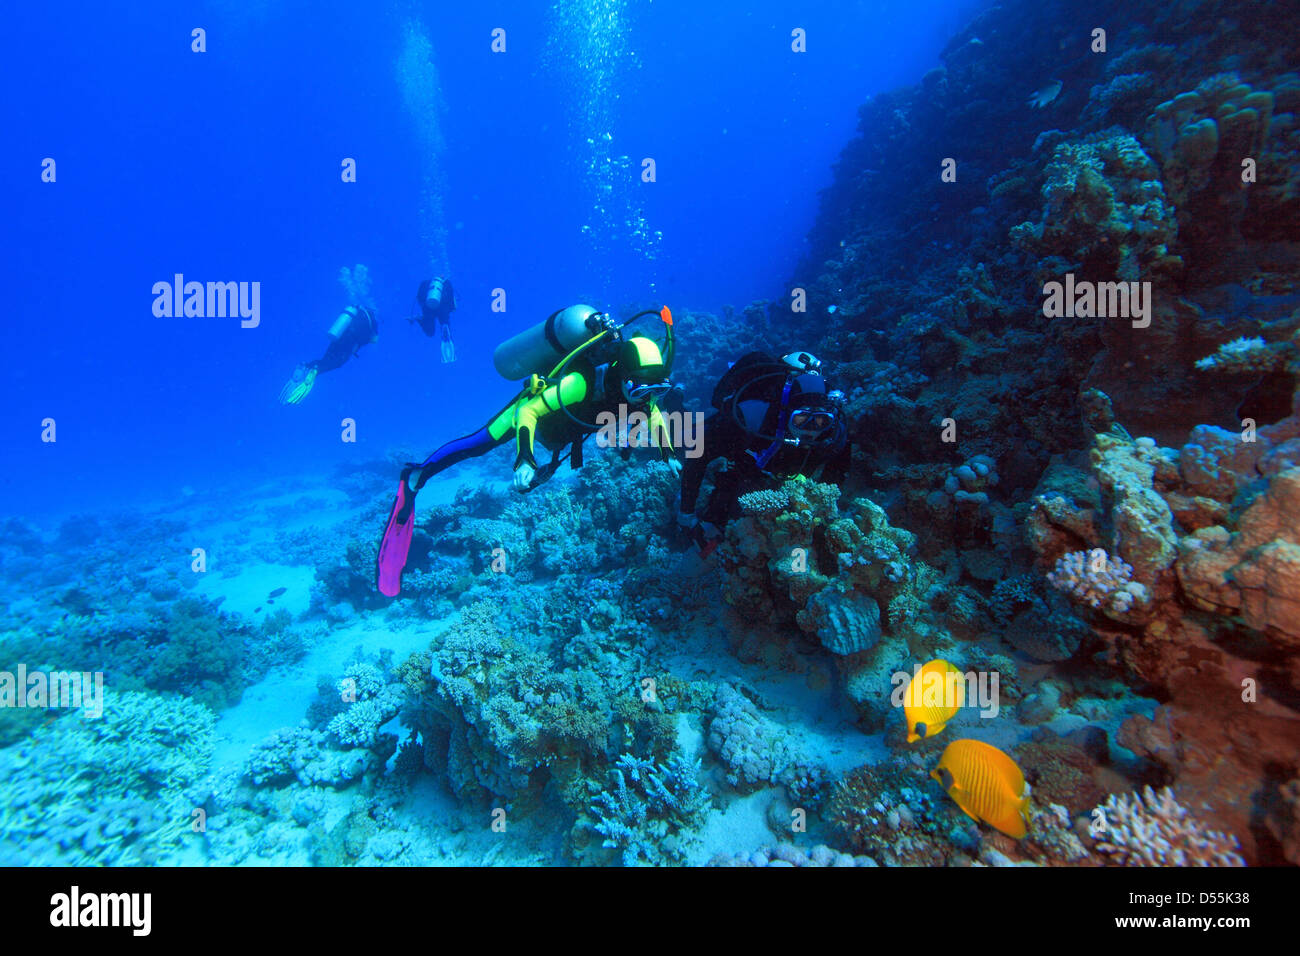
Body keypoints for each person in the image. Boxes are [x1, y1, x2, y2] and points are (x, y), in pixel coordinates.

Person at [376, 304, 682, 596]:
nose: (648, 398)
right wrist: (525, 459)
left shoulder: (641, 389)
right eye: (642, 390)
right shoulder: (581, 383)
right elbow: (529, 413)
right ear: (624, 377)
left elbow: (653, 412)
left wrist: (668, 453)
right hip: (530, 414)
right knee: (479, 444)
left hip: (561, 431)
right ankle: (416, 475)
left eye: (658, 389)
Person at [677, 350, 851, 553]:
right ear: (787, 413)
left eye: (821, 421)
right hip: (749, 461)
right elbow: (698, 454)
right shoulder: (753, 417)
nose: (810, 430)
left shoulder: (834, 433)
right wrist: (686, 513)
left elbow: (837, 470)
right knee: (726, 510)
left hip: (784, 473)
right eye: (801, 419)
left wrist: (821, 509)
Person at [278, 305, 379, 404]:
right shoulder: (372, 322)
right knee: (337, 363)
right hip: (349, 343)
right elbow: (374, 340)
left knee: (327, 358)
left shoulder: (357, 313)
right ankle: (315, 370)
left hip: (339, 337)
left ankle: (306, 366)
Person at [414, 277, 457, 363]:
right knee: (444, 322)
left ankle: (420, 320)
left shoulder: (424, 282)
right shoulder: (446, 282)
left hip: (428, 308)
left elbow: (419, 298)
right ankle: (445, 327)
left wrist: (425, 310)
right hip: (443, 307)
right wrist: (450, 309)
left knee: (430, 332)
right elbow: (452, 302)